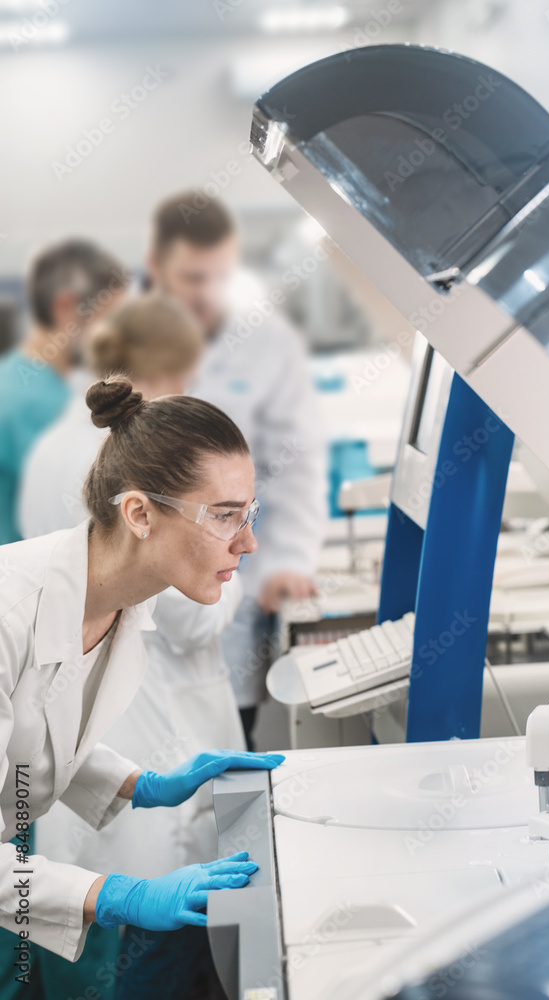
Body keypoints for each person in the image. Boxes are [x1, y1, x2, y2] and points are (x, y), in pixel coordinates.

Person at [0, 377, 284, 990]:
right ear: (138, 514)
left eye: (249, 513)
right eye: (226, 516)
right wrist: (117, 894)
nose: (249, 541)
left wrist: (142, 784)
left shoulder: (124, 601)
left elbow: (40, 728)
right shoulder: (8, 615)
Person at [147, 192, 328, 746]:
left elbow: (295, 466)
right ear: (157, 268)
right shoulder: (123, 340)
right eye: (192, 277)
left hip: (232, 598)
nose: (207, 294)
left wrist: (289, 560)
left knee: (226, 761)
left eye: (220, 277)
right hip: (139, 608)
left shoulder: (269, 344)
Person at [0, 239, 129, 546]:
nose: (122, 336)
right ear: (66, 308)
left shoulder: (28, 379)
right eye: (112, 318)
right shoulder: (34, 404)